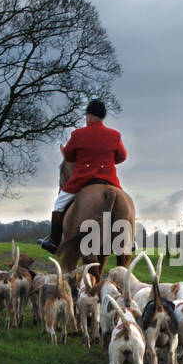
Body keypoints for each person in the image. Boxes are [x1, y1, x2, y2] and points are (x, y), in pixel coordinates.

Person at [38, 100, 127, 253]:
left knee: (58, 205)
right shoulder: (115, 135)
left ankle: (53, 242)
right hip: (110, 181)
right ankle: (128, 241)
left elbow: (67, 155)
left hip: (83, 181)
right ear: (102, 117)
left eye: (87, 115)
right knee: (125, 204)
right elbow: (122, 157)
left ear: (89, 116)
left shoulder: (78, 134)